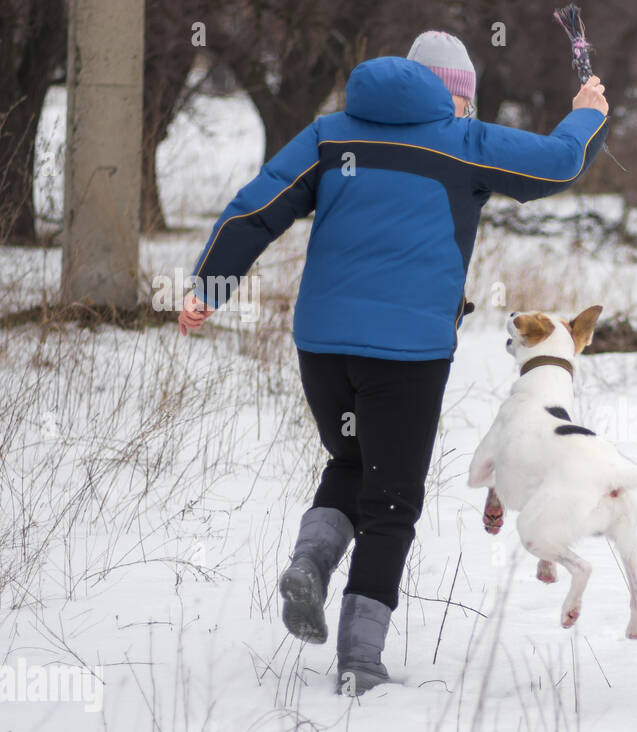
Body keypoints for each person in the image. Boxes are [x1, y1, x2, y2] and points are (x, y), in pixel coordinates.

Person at [179, 31, 610, 694]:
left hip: (323, 344)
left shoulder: (331, 135)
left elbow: (259, 205)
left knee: (351, 461)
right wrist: (588, 111)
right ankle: (360, 657)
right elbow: (557, 164)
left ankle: (311, 562)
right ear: (457, 97)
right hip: (407, 354)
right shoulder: (465, 142)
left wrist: (210, 285)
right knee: (391, 497)